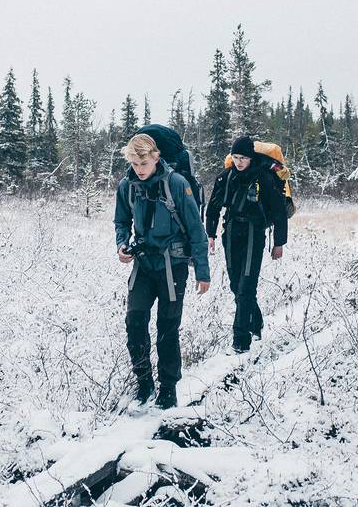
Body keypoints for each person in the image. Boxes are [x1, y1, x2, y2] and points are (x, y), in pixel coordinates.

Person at [114, 133, 210, 409]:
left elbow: (196, 229)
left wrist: (202, 272)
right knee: (134, 322)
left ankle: (168, 388)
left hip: (173, 266)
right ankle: (144, 384)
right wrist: (122, 245)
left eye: (143, 164)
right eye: (134, 164)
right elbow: (121, 221)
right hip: (143, 265)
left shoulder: (177, 184)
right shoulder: (127, 187)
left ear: (156, 158)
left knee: (167, 328)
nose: (139, 170)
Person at [206, 136, 289, 353]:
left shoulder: (264, 178)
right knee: (236, 285)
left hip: (254, 232)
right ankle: (256, 322)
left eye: (243, 157)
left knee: (246, 286)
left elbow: (279, 212)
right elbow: (213, 207)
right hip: (231, 232)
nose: (239, 162)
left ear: (251, 158)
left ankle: (240, 342)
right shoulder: (226, 178)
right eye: (235, 157)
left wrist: (279, 243)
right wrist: (210, 234)